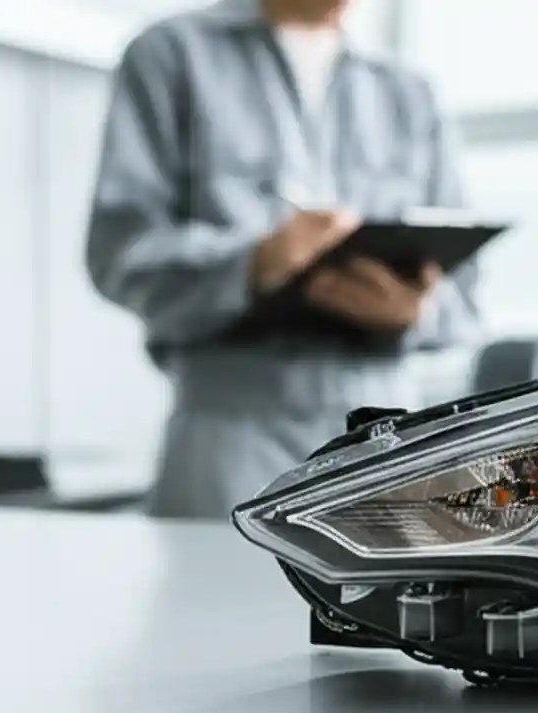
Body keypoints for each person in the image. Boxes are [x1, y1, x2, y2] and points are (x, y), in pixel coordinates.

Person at [86, 0, 480, 519]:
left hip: (387, 440)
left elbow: (467, 301)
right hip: (229, 434)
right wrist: (254, 263)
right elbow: (121, 252)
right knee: (217, 597)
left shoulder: (411, 92)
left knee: (384, 601)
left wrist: (415, 313)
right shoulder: (172, 54)